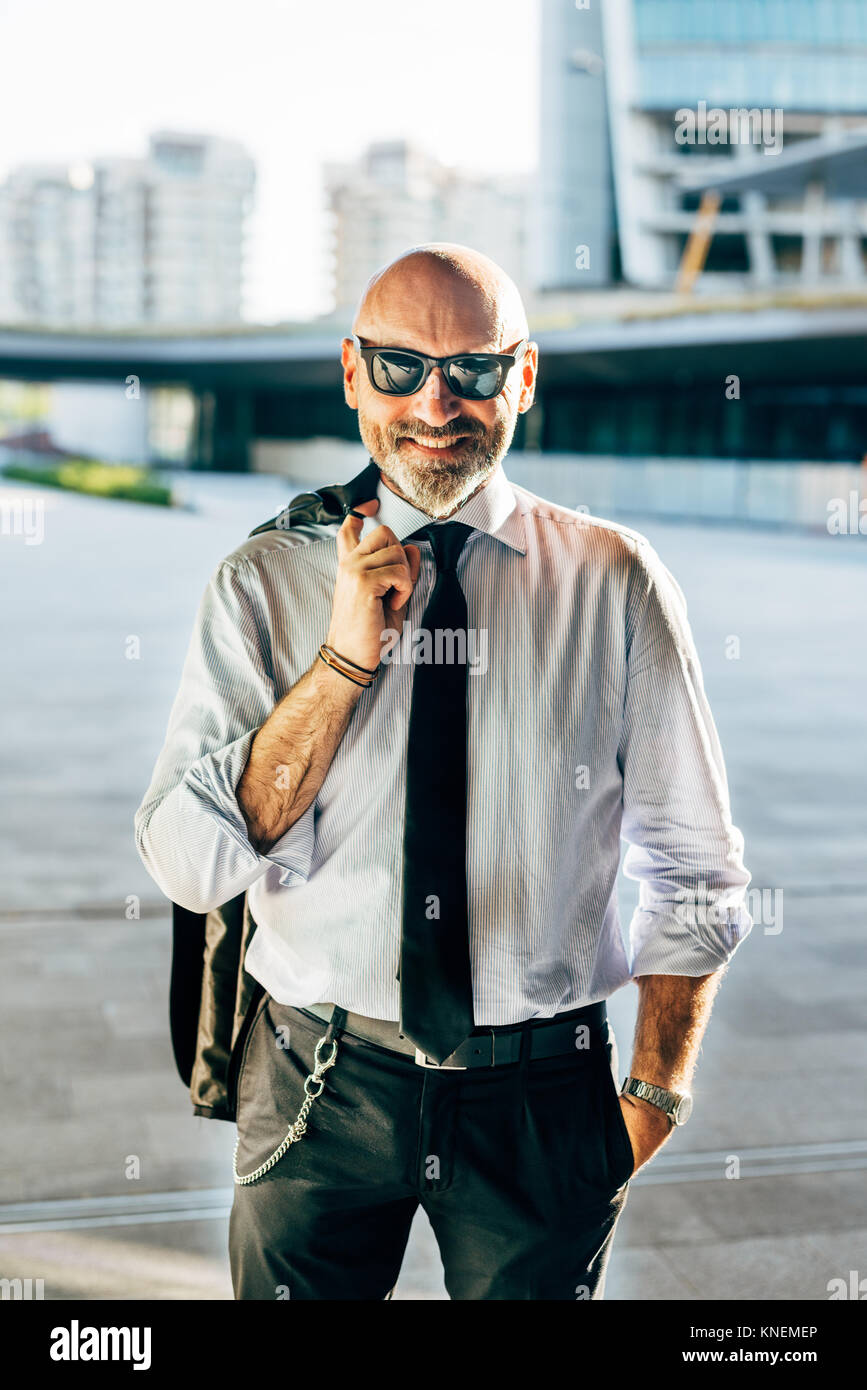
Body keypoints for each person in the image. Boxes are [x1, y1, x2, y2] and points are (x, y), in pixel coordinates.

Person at [135, 243, 752, 1301]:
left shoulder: (613, 581)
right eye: (399, 365)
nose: (436, 400)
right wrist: (338, 665)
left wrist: (652, 1092)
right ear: (349, 372)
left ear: (524, 377)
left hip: (540, 1089)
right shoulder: (263, 582)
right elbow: (189, 866)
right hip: (319, 1079)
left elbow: (696, 865)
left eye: (472, 369)